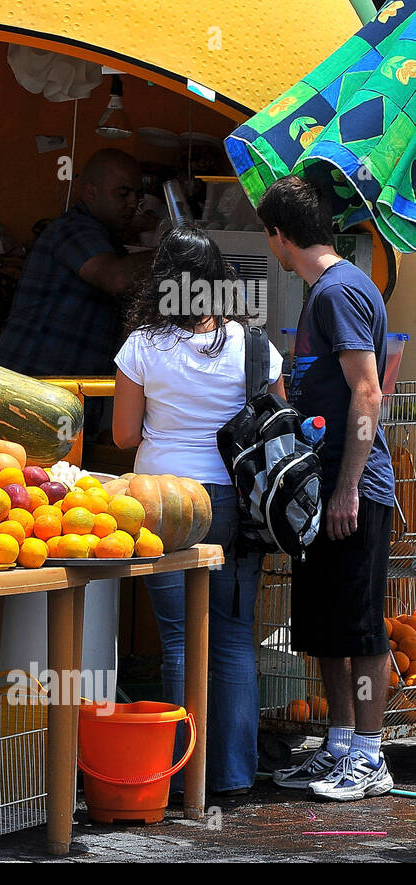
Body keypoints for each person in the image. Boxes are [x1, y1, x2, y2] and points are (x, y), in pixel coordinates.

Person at [112, 223, 283, 795]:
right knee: (234, 636)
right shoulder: (255, 347)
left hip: (163, 504)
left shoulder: (142, 347)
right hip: (235, 501)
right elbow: (275, 431)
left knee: (181, 640)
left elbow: (122, 434)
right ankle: (233, 775)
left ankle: (181, 777)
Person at [258, 176, 396, 801]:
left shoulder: (338, 292)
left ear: (280, 237)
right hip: (324, 488)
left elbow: (368, 393)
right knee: (326, 629)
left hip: (354, 488)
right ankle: (339, 745)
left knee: (361, 631)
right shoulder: (329, 291)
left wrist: (347, 490)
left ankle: (370, 755)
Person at [0, 149, 155, 435]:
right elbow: (114, 278)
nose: (133, 204)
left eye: (137, 196)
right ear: (91, 193)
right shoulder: (72, 230)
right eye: (123, 193)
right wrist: (173, 251)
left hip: (63, 395)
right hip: (32, 388)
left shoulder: (106, 240)